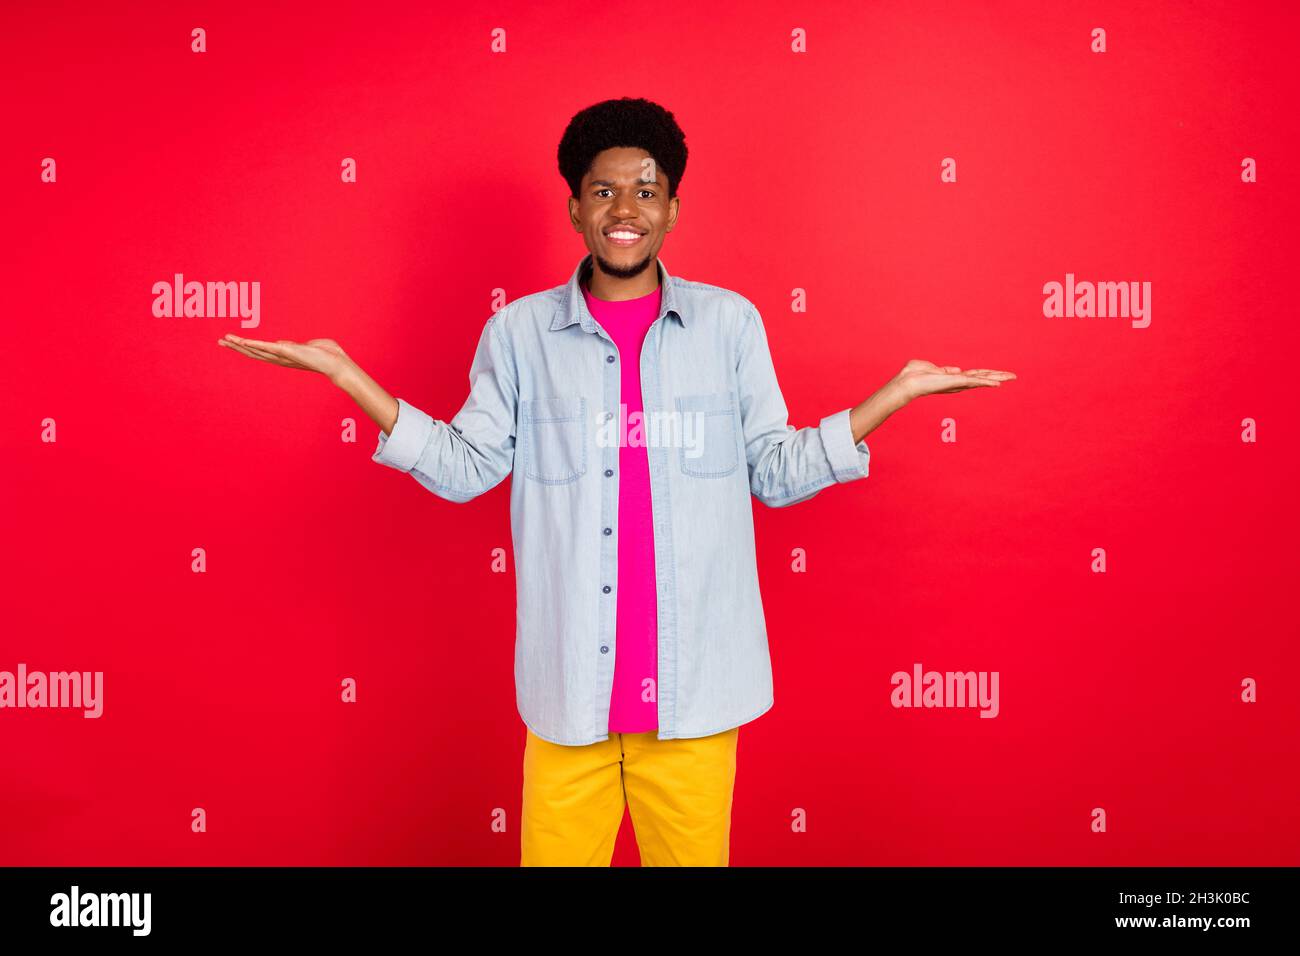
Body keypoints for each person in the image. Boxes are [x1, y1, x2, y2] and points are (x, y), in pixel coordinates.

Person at [217, 96, 1016, 866]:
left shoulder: (731, 325)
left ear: (673, 209)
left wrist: (895, 394)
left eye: (646, 189)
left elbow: (774, 471)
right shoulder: (520, 334)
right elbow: (466, 466)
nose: (625, 207)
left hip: (697, 705)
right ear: (574, 209)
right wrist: (349, 376)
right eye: (603, 190)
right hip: (571, 702)